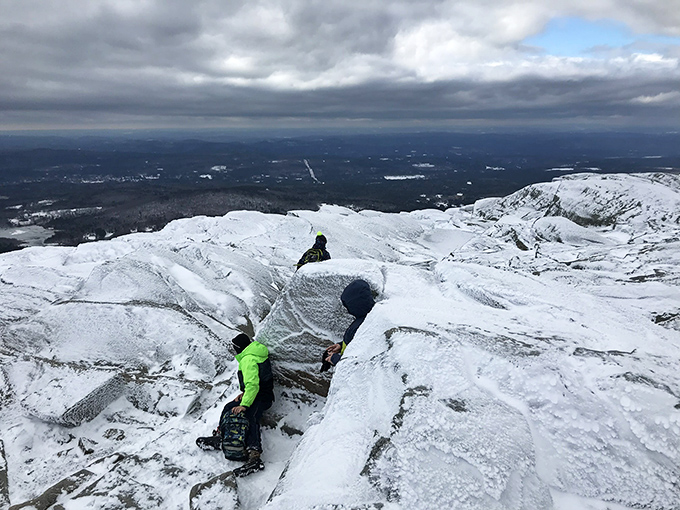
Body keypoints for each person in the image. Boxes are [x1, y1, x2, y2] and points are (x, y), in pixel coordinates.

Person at [196, 333, 274, 475]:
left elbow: (253, 385)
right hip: (256, 394)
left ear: (238, 348)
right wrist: (244, 395)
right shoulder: (253, 353)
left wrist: (245, 404)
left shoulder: (248, 359)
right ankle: (223, 436)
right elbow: (255, 383)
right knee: (228, 407)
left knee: (251, 416)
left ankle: (254, 455)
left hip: (261, 396)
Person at [321, 279, 375, 371]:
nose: (347, 309)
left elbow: (358, 363)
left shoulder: (367, 325)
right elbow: (355, 343)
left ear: (357, 304)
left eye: (349, 306)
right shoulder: (364, 317)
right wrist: (341, 346)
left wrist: (335, 359)